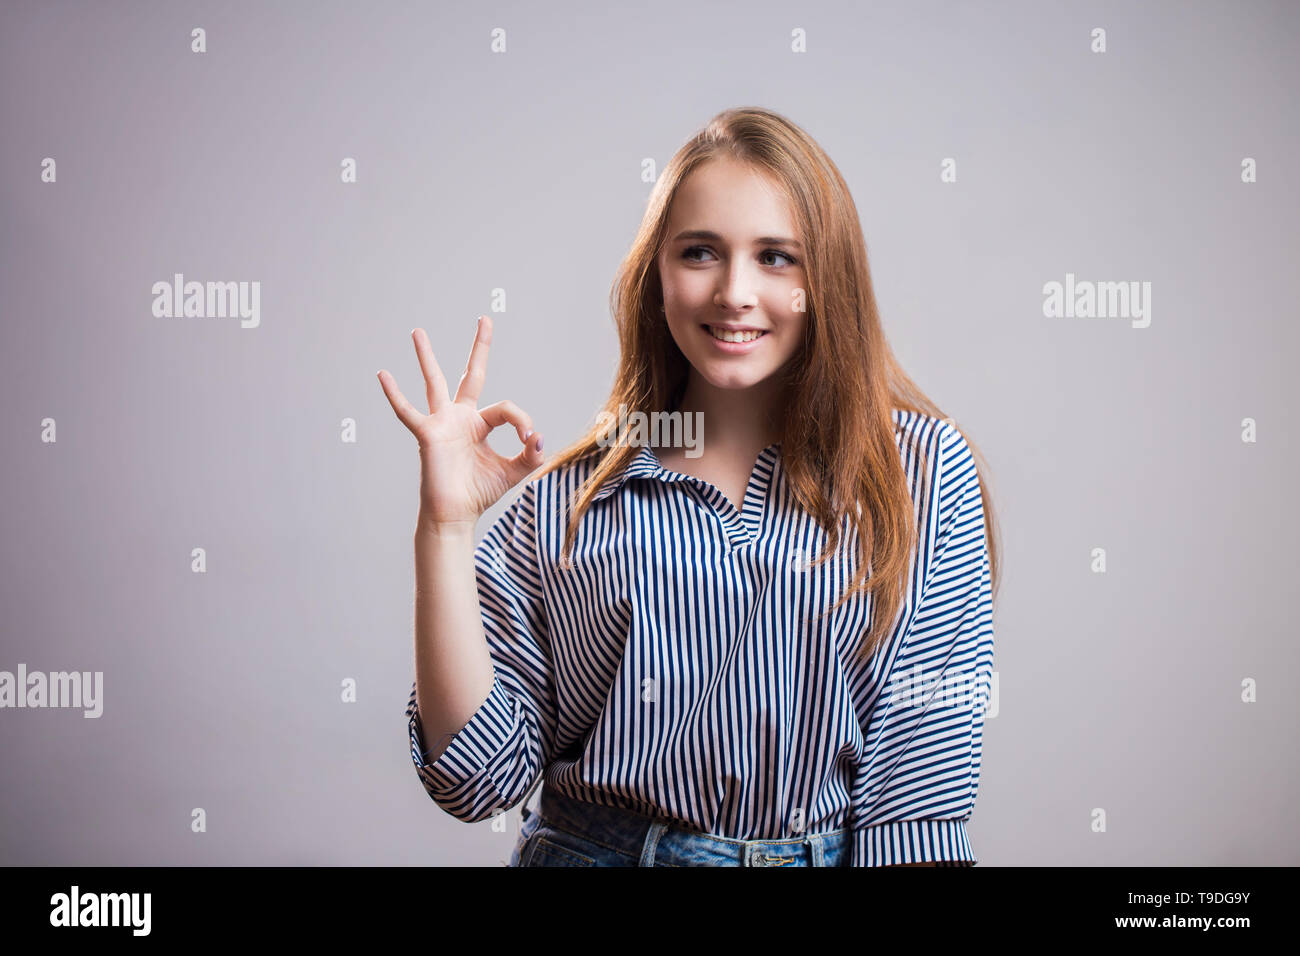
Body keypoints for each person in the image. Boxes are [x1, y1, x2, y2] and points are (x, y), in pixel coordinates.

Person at [378, 106, 1000, 867]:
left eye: (777, 258)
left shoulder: (919, 473)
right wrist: (442, 528)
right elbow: (477, 781)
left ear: (826, 279)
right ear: (657, 276)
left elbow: (919, 807)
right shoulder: (567, 501)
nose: (735, 292)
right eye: (701, 252)